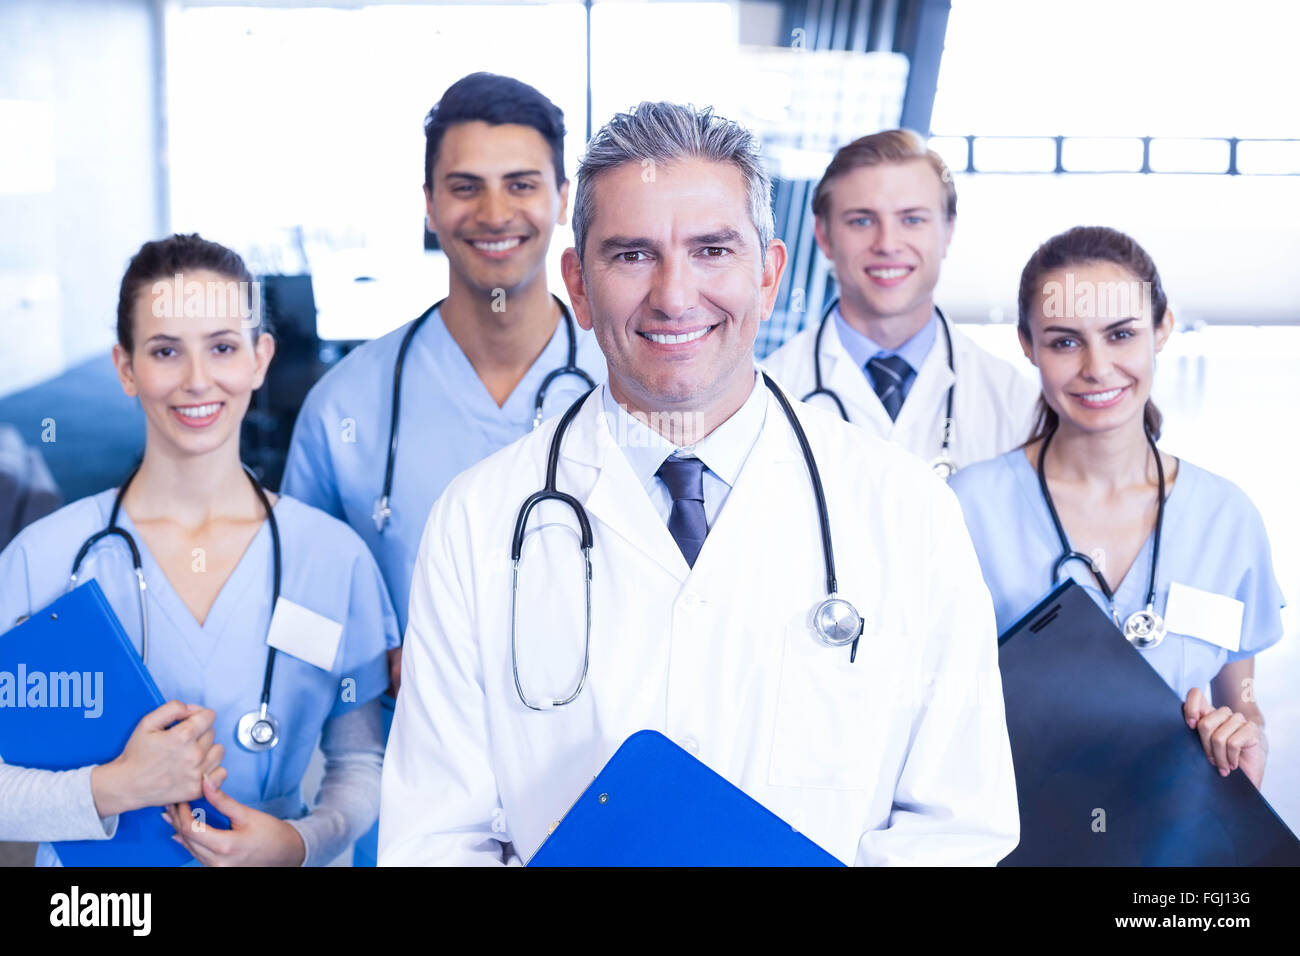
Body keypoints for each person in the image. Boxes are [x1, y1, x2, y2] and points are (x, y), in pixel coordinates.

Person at [379, 102, 1018, 866]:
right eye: (633, 255)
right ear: (578, 285)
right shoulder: (477, 520)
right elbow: (435, 839)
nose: (675, 296)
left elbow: (957, 825)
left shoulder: (908, 511)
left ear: (769, 276)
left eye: (712, 250)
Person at [280, 74, 605, 863]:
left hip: (597, 777)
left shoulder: (627, 391)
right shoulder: (346, 406)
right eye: (465, 187)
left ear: (562, 198)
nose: (494, 213)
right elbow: (296, 613)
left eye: (521, 184)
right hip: (416, 790)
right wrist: (369, 658)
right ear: (428, 204)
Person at [0, 234, 399, 866]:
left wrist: (300, 843)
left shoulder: (332, 558)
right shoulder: (43, 560)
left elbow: (359, 761)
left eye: (222, 347)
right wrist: (112, 788)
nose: (196, 380)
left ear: (260, 359)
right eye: (166, 351)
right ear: (126, 368)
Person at [950, 225, 1286, 787]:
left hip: (1175, 827)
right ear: (1027, 345)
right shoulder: (967, 509)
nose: (1098, 367)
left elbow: (1242, 703)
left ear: (1163, 329)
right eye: (1064, 342)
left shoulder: (1227, 518)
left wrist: (1244, 738)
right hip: (1012, 825)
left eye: (1122, 334)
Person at [763, 130, 1038, 477]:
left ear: (948, 231)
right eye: (862, 221)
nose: (888, 244)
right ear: (824, 235)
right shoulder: (767, 398)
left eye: (912, 219)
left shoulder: (1015, 403)